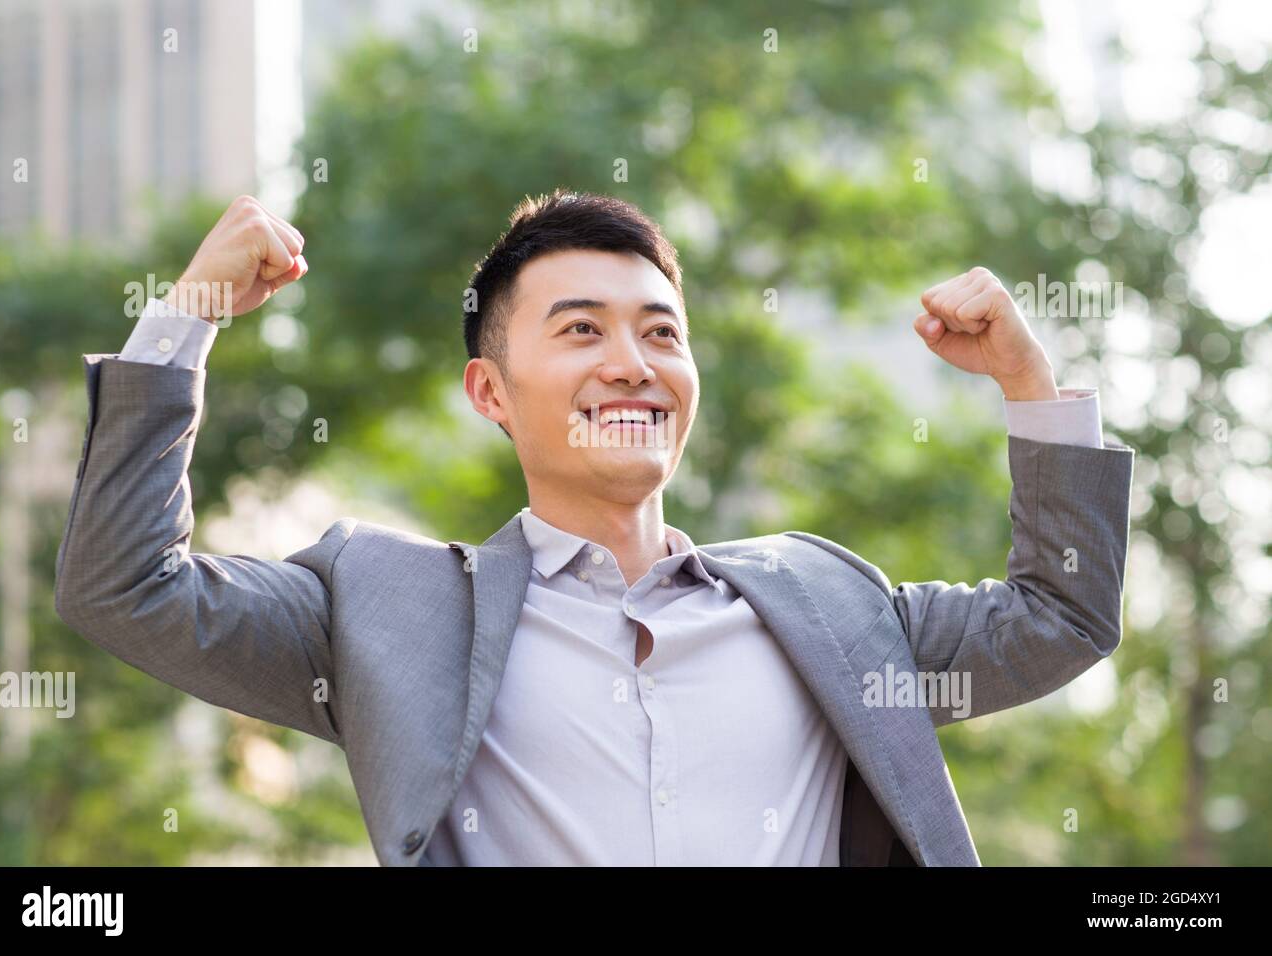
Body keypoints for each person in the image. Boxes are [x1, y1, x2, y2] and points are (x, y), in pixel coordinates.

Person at [55, 189, 1134, 866]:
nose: (632, 361)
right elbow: (125, 587)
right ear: (490, 390)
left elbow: (1060, 616)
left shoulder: (830, 603)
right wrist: (183, 313)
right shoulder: (385, 610)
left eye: (660, 331)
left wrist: (1027, 383)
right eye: (580, 329)